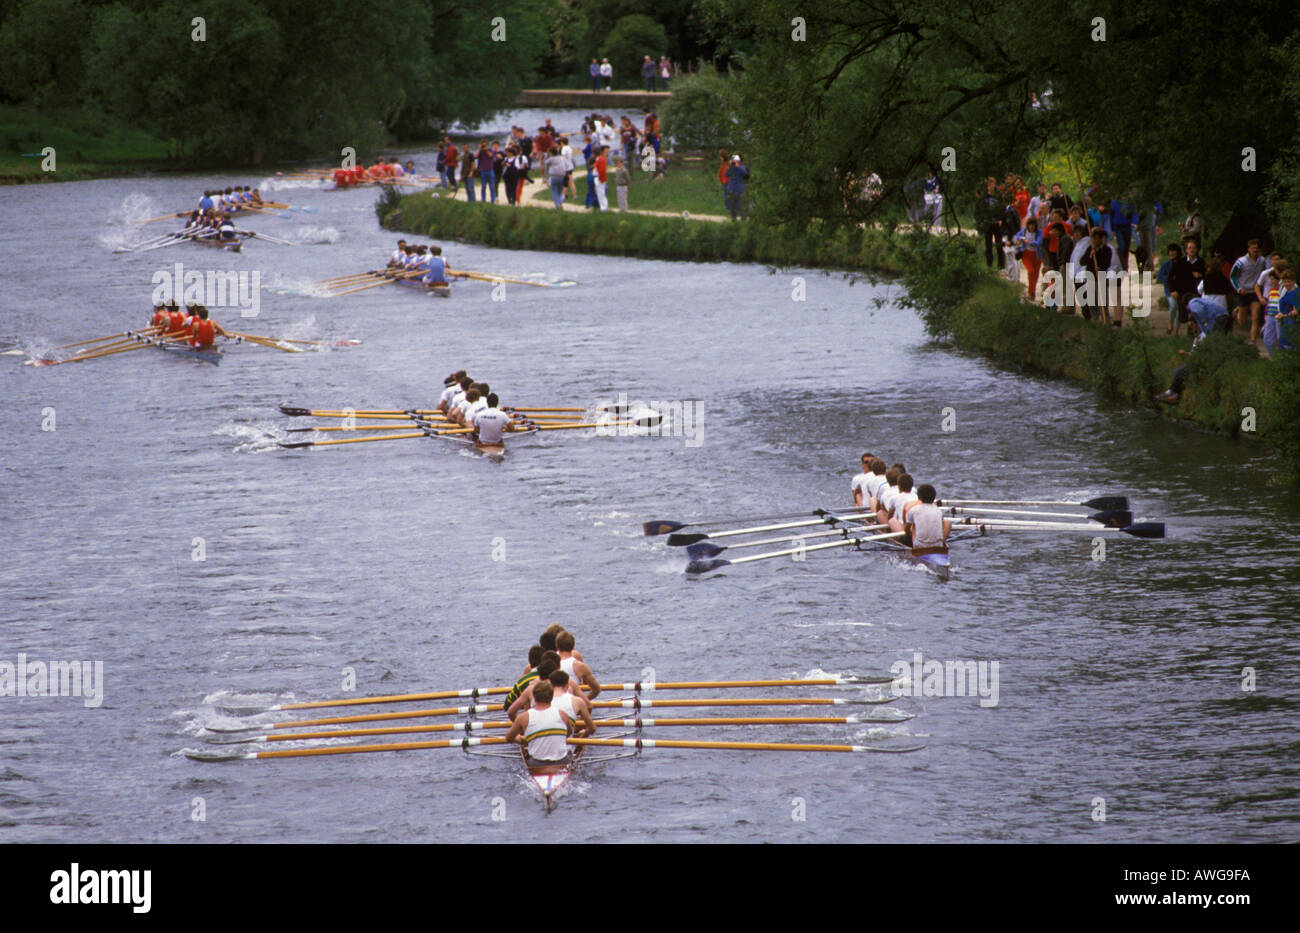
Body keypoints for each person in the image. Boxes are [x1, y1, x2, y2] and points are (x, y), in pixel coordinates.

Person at [505, 680, 573, 763]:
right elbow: (568, 733)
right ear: (552, 697)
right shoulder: (563, 714)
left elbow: (509, 738)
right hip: (562, 761)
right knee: (570, 752)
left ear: (534, 697)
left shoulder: (523, 717)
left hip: (536, 763)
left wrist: (521, 740)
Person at [1230, 239, 1269, 344]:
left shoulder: (1262, 261)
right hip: (1243, 292)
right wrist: (1238, 289)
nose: (1255, 250)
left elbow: (1265, 274)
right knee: (1242, 321)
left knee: (1255, 317)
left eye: (1256, 248)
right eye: (1252, 248)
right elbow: (1233, 276)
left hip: (1255, 292)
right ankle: (1238, 310)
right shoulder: (1241, 262)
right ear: (1248, 249)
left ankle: (1252, 340)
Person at [1167, 237, 1205, 336]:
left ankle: (1192, 333)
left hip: (1195, 293)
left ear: (1196, 250)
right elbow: (1170, 278)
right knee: (1182, 316)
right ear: (1186, 250)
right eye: (1189, 248)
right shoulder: (1180, 262)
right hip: (1182, 293)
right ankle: (1176, 332)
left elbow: (1207, 277)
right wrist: (1172, 290)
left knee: (1193, 313)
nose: (1192, 250)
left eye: (1193, 248)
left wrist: (1200, 275)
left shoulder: (1201, 263)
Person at [904, 484, 951, 549]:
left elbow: (906, 529)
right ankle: (942, 543)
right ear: (934, 497)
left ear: (919, 497)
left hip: (919, 546)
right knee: (947, 522)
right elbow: (942, 527)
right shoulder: (938, 511)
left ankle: (918, 544)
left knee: (914, 525)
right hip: (937, 545)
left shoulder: (913, 510)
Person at [555, 631, 600, 699]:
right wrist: (584, 702)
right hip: (572, 704)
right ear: (573, 646)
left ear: (557, 646)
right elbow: (596, 689)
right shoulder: (580, 666)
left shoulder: (550, 662)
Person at [975, 178, 1003, 269]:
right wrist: (980, 222)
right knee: (988, 245)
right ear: (987, 186)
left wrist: (1001, 219)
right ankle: (989, 265)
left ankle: (1001, 265)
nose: (991, 186)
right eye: (989, 184)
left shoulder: (999, 197)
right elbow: (977, 211)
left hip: (997, 224)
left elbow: (1003, 209)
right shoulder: (983, 198)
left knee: (999, 245)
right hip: (987, 224)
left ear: (995, 185)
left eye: (992, 184)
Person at [1015, 218, 1043, 298]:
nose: (1031, 227)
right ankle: (1030, 291)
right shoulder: (1024, 231)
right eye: (1030, 225)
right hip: (1026, 254)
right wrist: (1020, 239)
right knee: (1031, 271)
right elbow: (1018, 236)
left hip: (1037, 255)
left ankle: (1032, 291)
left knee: (1035, 274)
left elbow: (1039, 242)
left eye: (1033, 225)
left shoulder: (1039, 232)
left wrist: (1030, 243)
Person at [724, 154, 749, 221]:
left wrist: (738, 166)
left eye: (735, 161)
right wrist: (730, 166)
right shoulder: (731, 168)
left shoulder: (741, 168)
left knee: (741, 207)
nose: (733, 162)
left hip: (740, 190)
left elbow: (745, 174)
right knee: (732, 207)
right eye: (733, 161)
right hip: (732, 190)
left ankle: (743, 220)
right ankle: (733, 220)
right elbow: (726, 174)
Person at [592, 145, 609, 211]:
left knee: (601, 194)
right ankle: (603, 207)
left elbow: (601, 170)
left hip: (599, 179)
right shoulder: (599, 159)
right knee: (600, 194)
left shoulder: (600, 159)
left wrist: (601, 178)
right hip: (599, 178)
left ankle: (604, 208)